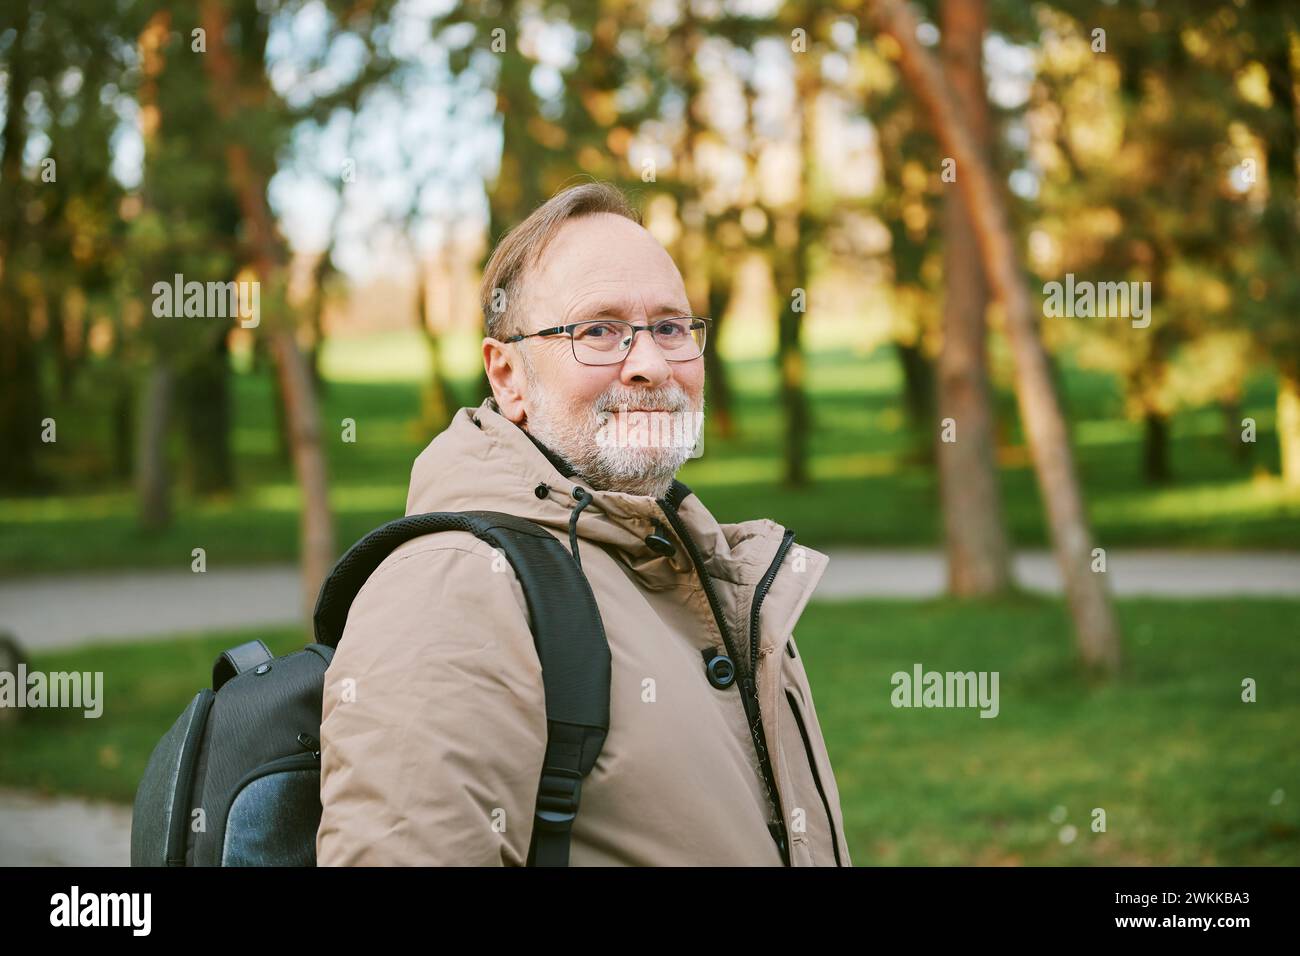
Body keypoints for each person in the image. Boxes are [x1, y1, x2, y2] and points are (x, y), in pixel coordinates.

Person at [316, 181, 851, 866]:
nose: (651, 364)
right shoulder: (454, 583)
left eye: (670, 327)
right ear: (508, 377)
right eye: (598, 330)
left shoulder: (689, 565)